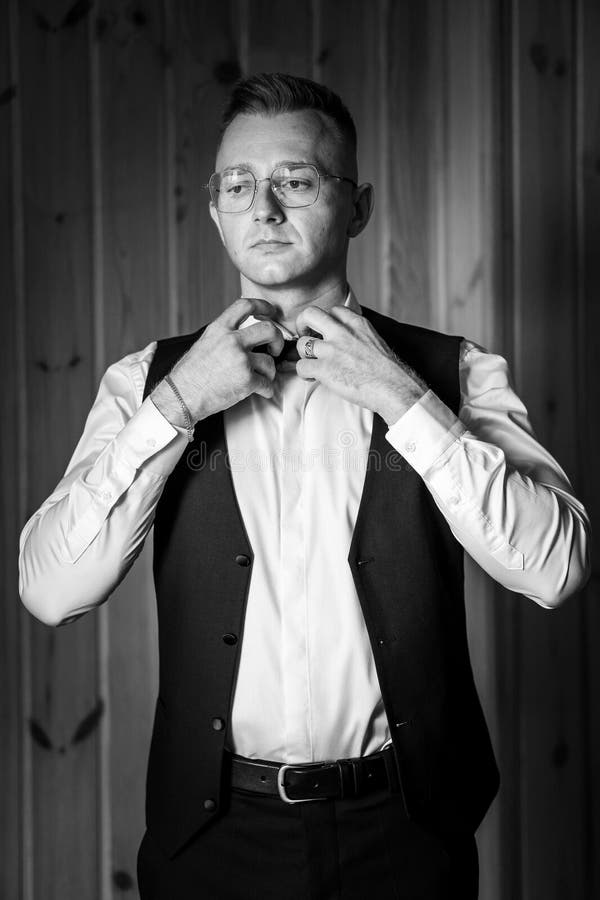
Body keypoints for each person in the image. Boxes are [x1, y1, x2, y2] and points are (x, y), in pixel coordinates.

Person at [19, 73, 590, 900]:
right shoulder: (146, 382)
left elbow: (555, 569)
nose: (264, 208)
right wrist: (176, 408)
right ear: (215, 210)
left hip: (405, 838)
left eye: (295, 180)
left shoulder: (453, 373)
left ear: (356, 207)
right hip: (212, 843)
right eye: (238, 186)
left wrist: (404, 399)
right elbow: (49, 589)